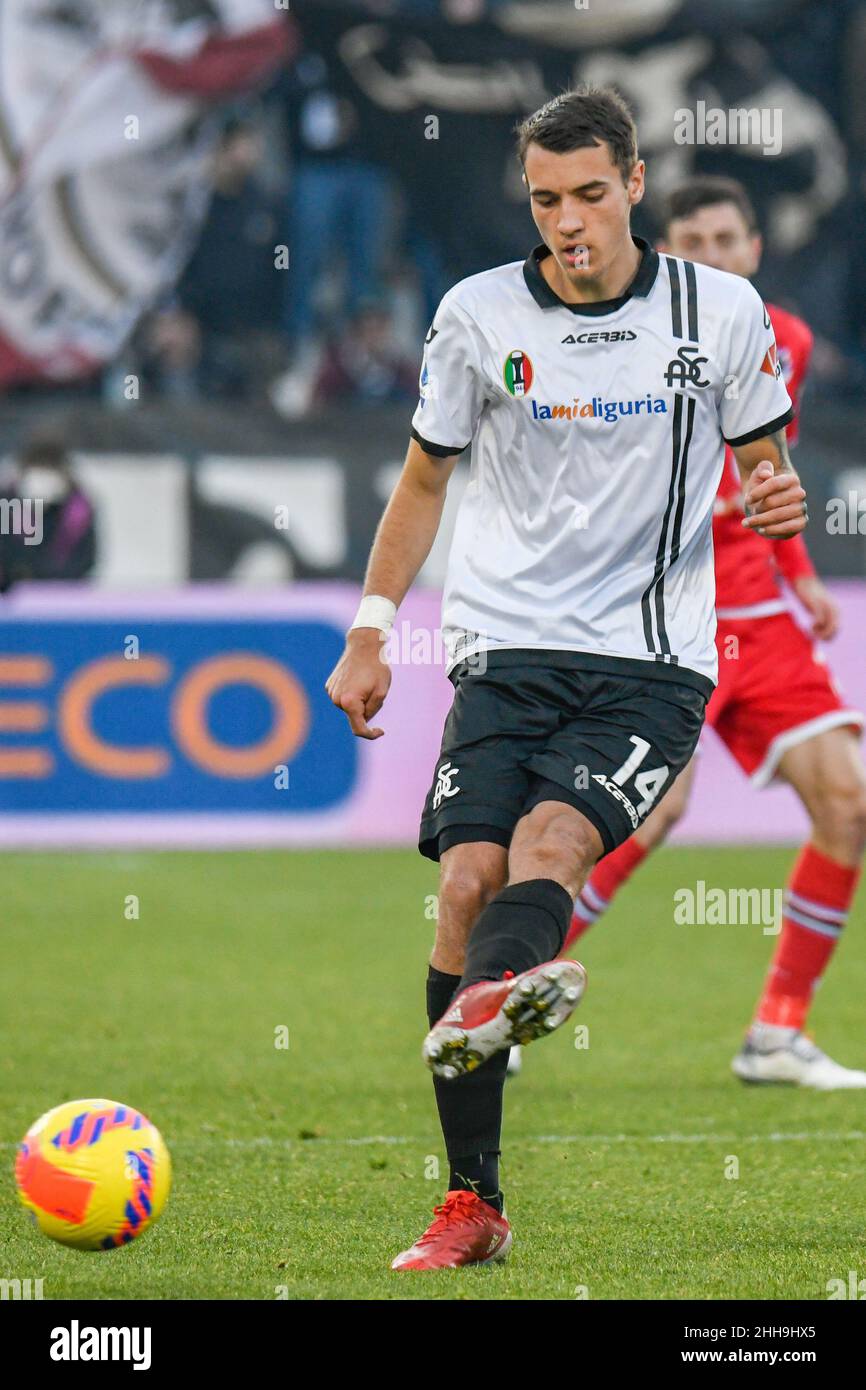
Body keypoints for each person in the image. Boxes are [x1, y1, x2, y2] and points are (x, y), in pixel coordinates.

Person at [326, 89, 807, 1271]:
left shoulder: (720, 310)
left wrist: (774, 491)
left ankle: (492, 995)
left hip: (647, 658)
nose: (568, 222)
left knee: (547, 845)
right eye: (545, 200)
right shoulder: (476, 314)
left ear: (635, 184)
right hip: (501, 650)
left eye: (590, 194)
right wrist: (373, 623)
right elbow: (423, 481)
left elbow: (761, 456)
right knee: (462, 887)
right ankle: (471, 1201)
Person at [554, 176, 866, 1090]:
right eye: (694, 239)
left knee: (847, 806)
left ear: (755, 250)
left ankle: (775, 1033)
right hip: (665, 613)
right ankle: (506, 986)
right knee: (652, 815)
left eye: (729, 238)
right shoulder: (622, 341)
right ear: (668, 251)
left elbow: (769, 469)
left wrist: (800, 574)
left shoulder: (789, 342)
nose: (716, 253)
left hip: (761, 615)